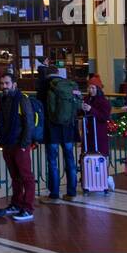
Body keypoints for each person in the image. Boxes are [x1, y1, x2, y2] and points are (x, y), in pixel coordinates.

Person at [0, 72, 35, 221]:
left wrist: (25, 144)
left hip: (19, 144)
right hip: (8, 143)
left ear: (14, 84)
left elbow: (29, 123)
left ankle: (28, 207)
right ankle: (16, 203)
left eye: (6, 83)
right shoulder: (4, 100)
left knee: (26, 177)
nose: (4, 86)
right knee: (15, 177)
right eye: (2, 83)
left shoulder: (22, 100)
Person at [44, 68, 80, 200]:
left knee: (53, 161)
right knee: (70, 160)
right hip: (69, 128)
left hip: (52, 129)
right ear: (59, 73)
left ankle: (54, 193)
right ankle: (72, 192)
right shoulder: (70, 85)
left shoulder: (45, 85)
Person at [82, 80, 112, 155]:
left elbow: (104, 117)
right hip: (88, 131)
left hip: (98, 131)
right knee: (87, 153)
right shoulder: (86, 99)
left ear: (98, 89)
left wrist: (91, 109)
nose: (90, 90)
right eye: (89, 88)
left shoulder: (104, 101)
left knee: (98, 153)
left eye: (93, 88)